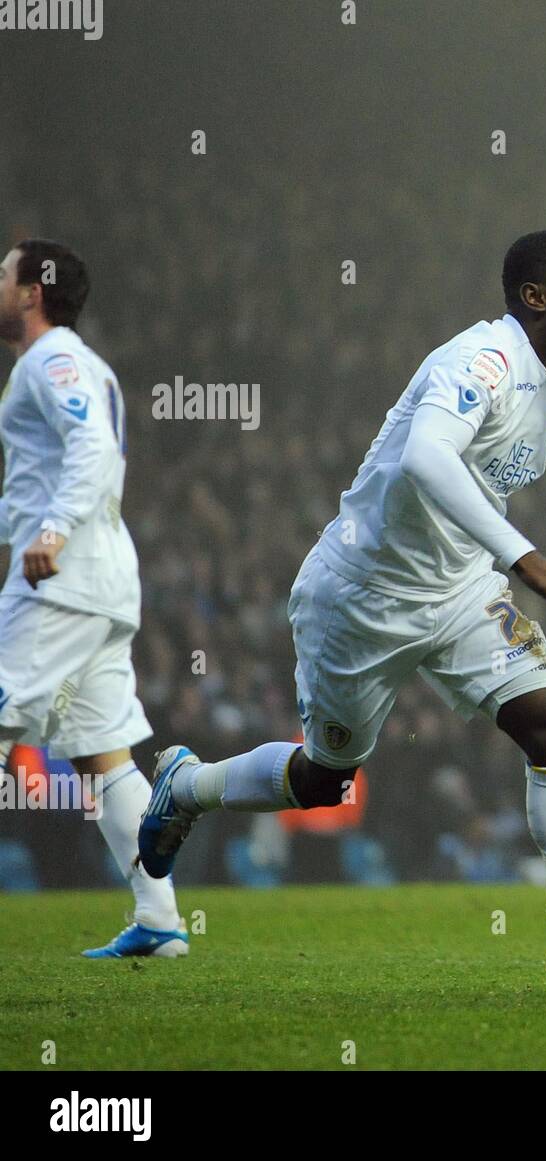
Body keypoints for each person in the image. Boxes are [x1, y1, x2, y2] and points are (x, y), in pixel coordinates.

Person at [138, 230, 546, 998]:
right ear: (537, 297)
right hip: (361, 596)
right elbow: (426, 457)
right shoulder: (479, 362)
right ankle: (188, 786)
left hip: (463, 594)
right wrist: (524, 557)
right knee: (325, 777)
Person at [0, 238, 187, 957]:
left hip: (63, 578)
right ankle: (162, 918)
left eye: (3, 274)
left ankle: (162, 918)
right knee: (102, 753)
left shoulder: (55, 360)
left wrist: (50, 529)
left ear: (31, 292)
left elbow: (92, 447)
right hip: (99, 577)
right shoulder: (62, 363)